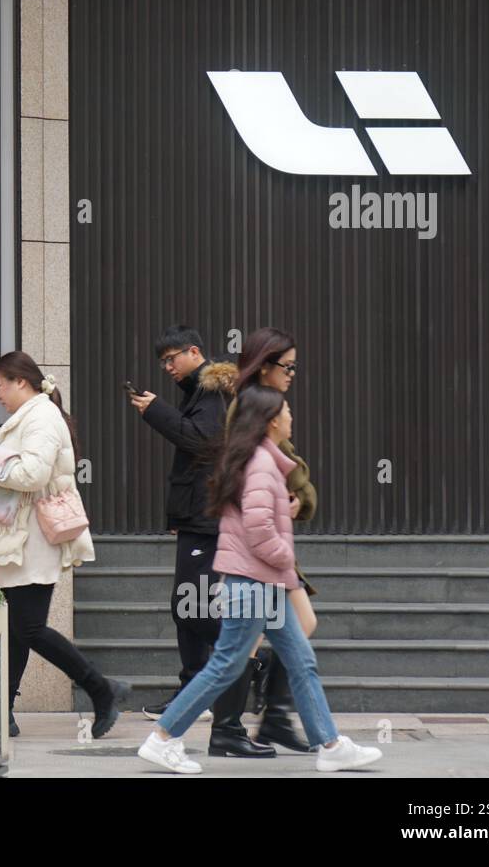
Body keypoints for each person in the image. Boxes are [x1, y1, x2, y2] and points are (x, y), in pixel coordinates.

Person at [136, 387, 383, 774]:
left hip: (264, 582)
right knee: (226, 665)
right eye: (286, 411)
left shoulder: (261, 461)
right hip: (252, 583)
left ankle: (331, 744)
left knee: (301, 662)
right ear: (270, 421)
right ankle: (163, 738)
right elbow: (258, 528)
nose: (291, 417)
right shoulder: (261, 465)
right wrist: (287, 557)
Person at [0, 350, 131, 739]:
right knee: (18, 627)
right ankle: (2, 711)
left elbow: (32, 473)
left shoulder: (41, 417)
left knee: (30, 627)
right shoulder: (32, 416)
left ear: (20, 381)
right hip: (20, 536)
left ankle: (102, 689)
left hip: (32, 538)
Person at [129, 325, 272, 758]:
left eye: (173, 358)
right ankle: (196, 686)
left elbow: (203, 443)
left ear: (196, 352)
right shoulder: (198, 391)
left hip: (207, 518)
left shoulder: (211, 393)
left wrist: (156, 411)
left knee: (188, 606)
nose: (168, 367)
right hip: (195, 518)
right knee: (188, 605)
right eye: (163, 363)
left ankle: (253, 659)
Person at [226, 327, 318, 753]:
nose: (293, 374)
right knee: (244, 643)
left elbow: (289, 469)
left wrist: (297, 495)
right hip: (254, 542)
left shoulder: (266, 406)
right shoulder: (249, 408)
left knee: (295, 626)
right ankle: (228, 727)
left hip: (265, 536)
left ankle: (273, 718)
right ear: (265, 365)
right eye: (287, 366)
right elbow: (247, 473)